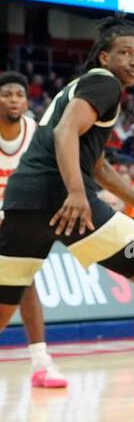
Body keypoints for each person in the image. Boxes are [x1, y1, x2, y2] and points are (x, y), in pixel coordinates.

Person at [0, 19, 134, 422]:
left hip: (24, 204)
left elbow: (95, 163)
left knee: (2, 305)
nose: (133, 61)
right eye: (125, 53)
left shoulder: (84, 89)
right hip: (66, 204)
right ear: (105, 56)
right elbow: (66, 134)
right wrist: (76, 194)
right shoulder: (104, 84)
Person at [0, 71, 67, 387]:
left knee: (26, 281)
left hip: (18, 217)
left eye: (18, 94)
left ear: (27, 100)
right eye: (7, 94)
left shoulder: (35, 131)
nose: (13, 100)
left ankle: (41, 364)